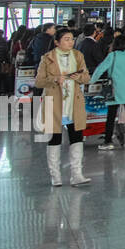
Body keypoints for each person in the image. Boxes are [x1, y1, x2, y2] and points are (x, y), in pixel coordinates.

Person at [34, 27, 92, 186]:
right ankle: (56, 176)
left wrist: (79, 76)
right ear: (57, 42)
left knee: (77, 137)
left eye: (72, 39)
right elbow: (38, 81)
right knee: (55, 139)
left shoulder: (78, 56)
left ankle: (77, 174)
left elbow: (86, 77)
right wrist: (54, 79)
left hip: (74, 102)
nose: (71, 42)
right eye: (66, 39)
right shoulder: (47, 58)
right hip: (55, 102)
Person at [91, 33, 125, 152]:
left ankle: (108, 142)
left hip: (115, 90)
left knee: (111, 117)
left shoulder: (112, 55)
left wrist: (91, 81)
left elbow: (100, 69)